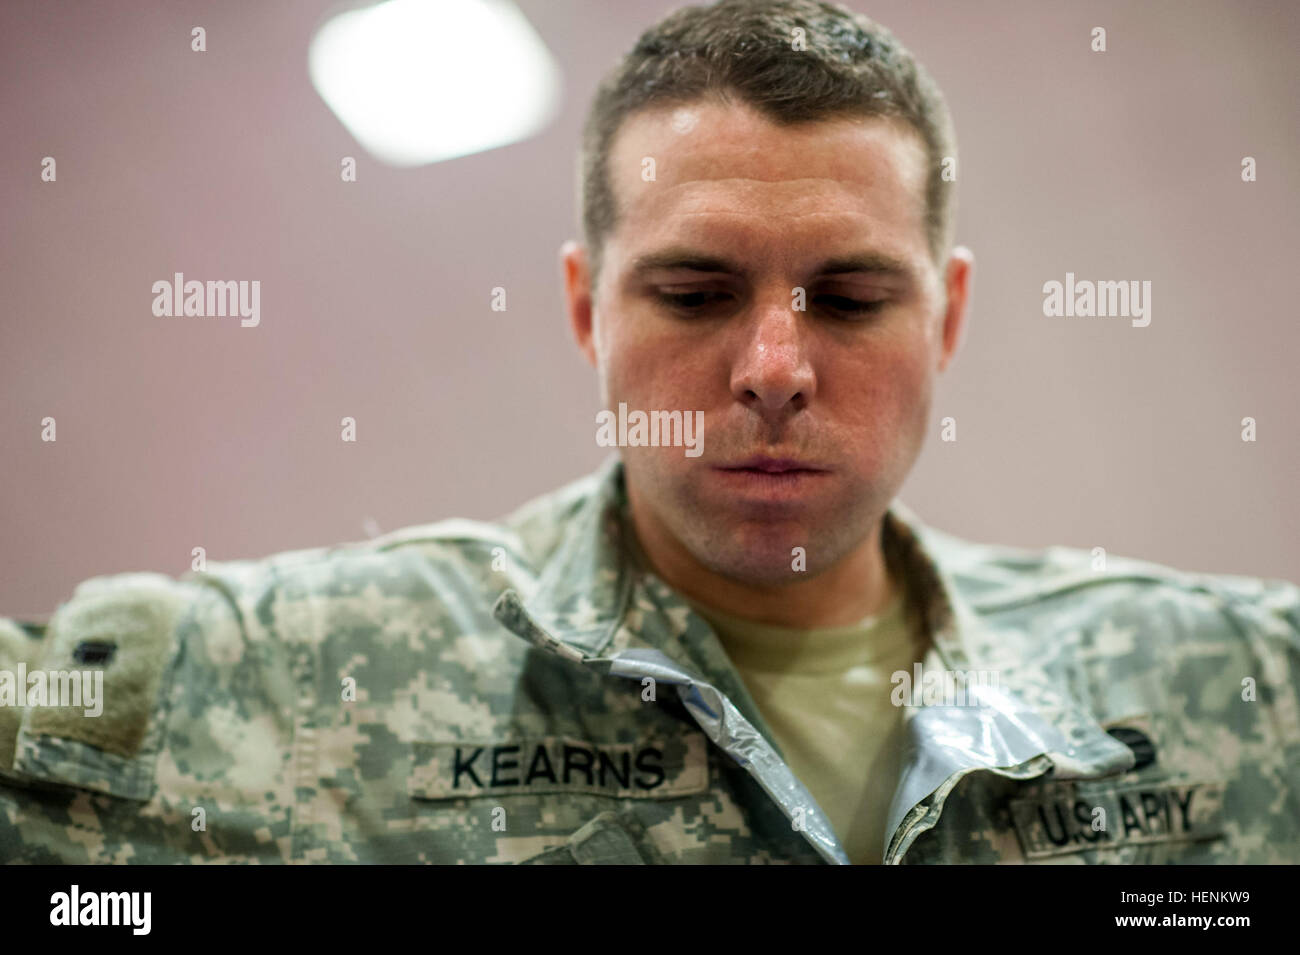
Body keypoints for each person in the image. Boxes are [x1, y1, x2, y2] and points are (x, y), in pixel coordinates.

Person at [1, 0, 1296, 865]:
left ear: (948, 318)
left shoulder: (1231, 693)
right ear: (584, 309)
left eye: (851, 298)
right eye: (694, 293)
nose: (776, 370)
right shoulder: (297, 678)